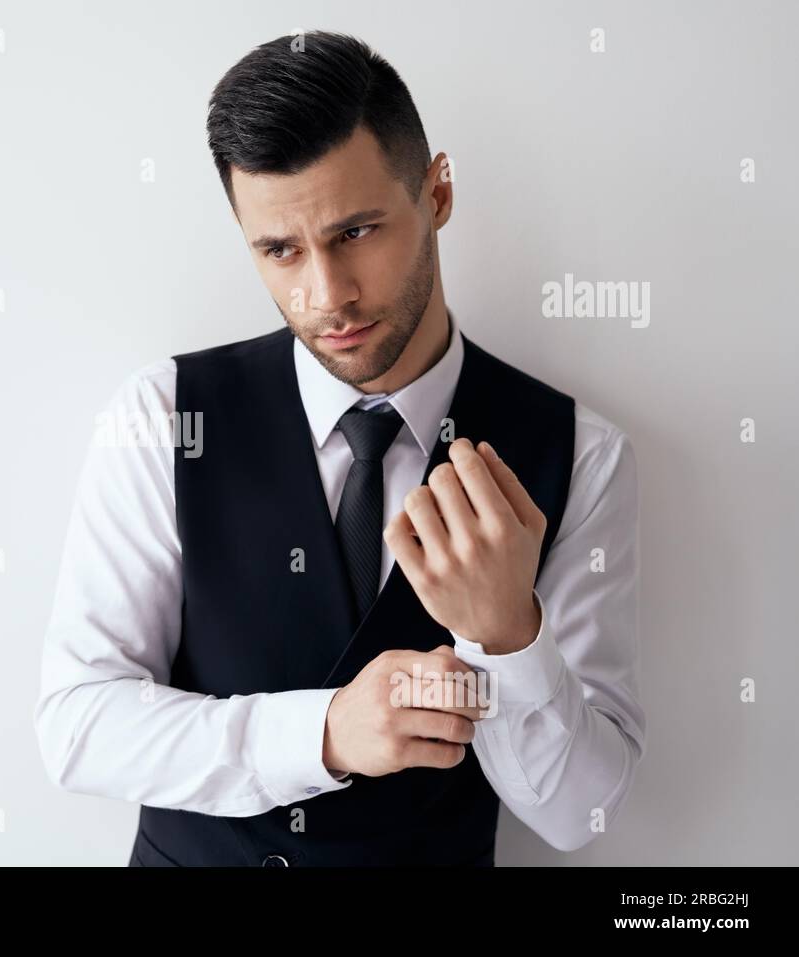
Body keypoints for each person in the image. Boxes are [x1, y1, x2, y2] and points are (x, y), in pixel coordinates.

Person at [34, 30, 645, 866]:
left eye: (357, 231)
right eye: (280, 250)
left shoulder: (580, 455)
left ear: (437, 192)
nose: (327, 295)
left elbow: (581, 815)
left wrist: (509, 634)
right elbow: (77, 725)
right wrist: (323, 732)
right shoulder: (163, 415)